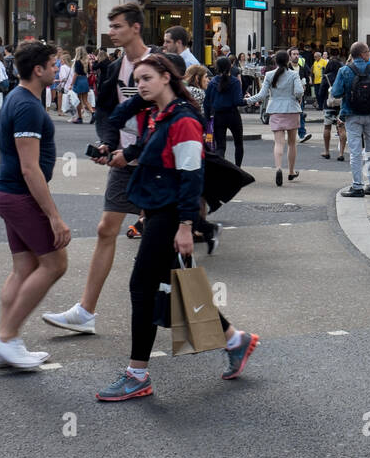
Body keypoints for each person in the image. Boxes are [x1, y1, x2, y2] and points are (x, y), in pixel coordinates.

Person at [95, 54, 259, 401]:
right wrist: (123, 154)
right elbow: (149, 147)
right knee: (177, 285)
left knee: (141, 286)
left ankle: (137, 374)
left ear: (166, 78)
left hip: (169, 213)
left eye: (146, 79)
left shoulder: (183, 120)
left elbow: (191, 176)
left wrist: (187, 225)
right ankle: (234, 339)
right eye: (136, 79)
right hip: (157, 208)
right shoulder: (160, 114)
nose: (139, 85)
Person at [42, 2, 159, 336]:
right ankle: (85, 311)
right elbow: (107, 112)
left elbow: (169, 116)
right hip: (124, 161)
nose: (112, 32)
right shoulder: (114, 68)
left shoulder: (162, 64)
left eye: (118, 26)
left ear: (135, 27)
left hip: (158, 163)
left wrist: (133, 149)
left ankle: (206, 320)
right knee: (106, 228)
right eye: (111, 26)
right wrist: (108, 143)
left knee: (163, 240)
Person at [0, 42, 71, 369]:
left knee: (24, 268)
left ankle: (5, 344)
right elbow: (29, 167)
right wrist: (54, 217)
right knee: (55, 263)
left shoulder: (20, 99)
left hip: (10, 193)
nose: (56, 69)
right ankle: (5, 338)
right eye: (53, 64)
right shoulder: (27, 107)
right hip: (19, 194)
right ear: (38, 69)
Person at [332, 41, 370, 199]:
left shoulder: (344, 70)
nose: (369, 55)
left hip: (352, 115)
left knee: (355, 152)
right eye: (368, 53)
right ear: (363, 54)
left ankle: (357, 186)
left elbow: (336, 93)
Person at [246, 49, 306, 186]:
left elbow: (261, 96)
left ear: (275, 61)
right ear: (288, 61)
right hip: (292, 109)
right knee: (292, 143)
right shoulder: (293, 75)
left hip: (275, 110)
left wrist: (247, 101)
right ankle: (291, 171)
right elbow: (299, 91)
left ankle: (278, 168)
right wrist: (298, 98)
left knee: (278, 143)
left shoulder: (269, 74)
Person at [207, 56, 246, 166]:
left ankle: (221, 169)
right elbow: (238, 101)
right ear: (231, 67)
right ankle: (238, 168)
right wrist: (247, 101)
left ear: (216, 68)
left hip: (218, 115)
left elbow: (207, 102)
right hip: (233, 115)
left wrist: (207, 118)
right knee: (238, 143)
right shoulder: (235, 82)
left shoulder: (212, 82)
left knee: (220, 146)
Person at [319, 50, 348, 162]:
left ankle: (326, 151)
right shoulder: (343, 76)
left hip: (329, 104)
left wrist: (321, 103)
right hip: (341, 105)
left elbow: (321, 92)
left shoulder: (326, 77)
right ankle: (341, 153)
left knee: (327, 127)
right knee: (341, 128)